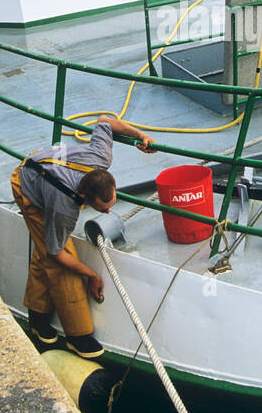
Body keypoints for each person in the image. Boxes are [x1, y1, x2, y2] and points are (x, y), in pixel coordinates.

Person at [10, 116, 157, 358]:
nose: (108, 212)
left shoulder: (101, 158)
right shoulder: (64, 207)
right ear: (84, 198)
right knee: (58, 260)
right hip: (28, 182)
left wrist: (141, 136)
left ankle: (37, 318)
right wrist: (91, 275)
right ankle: (78, 336)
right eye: (102, 208)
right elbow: (56, 254)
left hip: (45, 164)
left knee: (44, 247)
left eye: (110, 204)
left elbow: (106, 121)